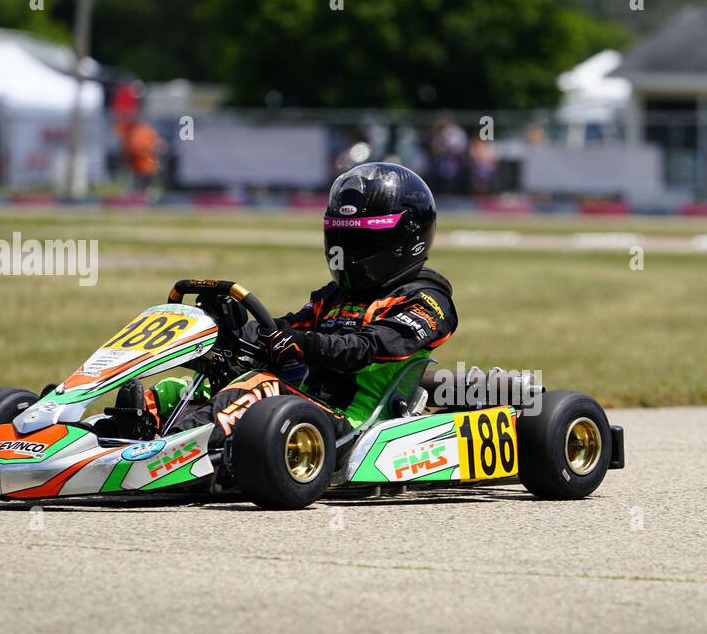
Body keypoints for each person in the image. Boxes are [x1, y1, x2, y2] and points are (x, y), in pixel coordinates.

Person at [118, 162, 456, 445]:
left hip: (355, 427)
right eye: (342, 239)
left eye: (360, 241)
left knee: (258, 388)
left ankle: (165, 451)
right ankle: (116, 436)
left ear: (405, 240)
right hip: (300, 409)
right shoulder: (334, 297)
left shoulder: (427, 300)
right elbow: (283, 329)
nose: (347, 253)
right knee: (176, 389)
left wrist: (304, 345)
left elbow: (368, 347)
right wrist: (221, 332)